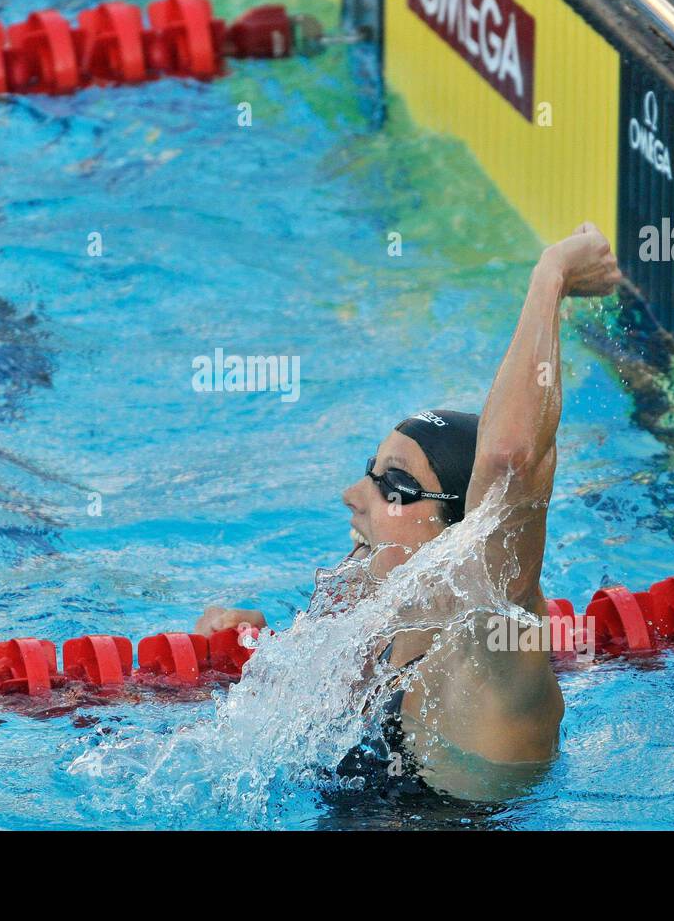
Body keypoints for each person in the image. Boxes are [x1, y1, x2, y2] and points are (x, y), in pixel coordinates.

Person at [196, 223, 623, 791]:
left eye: (393, 486)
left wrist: (551, 275)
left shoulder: (493, 650)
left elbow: (511, 460)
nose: (355, 496)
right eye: (369, 473)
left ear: (464, 531)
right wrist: (258, 654)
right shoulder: (376, 639)